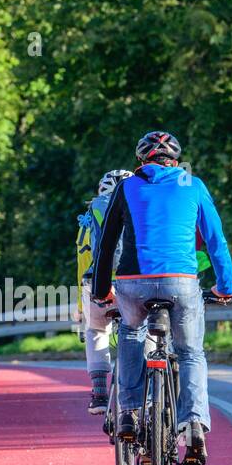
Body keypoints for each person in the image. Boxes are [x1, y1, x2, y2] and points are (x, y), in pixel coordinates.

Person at [91, 131, 232, 465]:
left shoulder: (126, 188)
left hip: (132, 284)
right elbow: (216, 242)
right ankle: (195, 425)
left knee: (130, 333)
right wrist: (225, 286)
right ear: (175, 160)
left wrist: (101, 291)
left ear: (141, 162)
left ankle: (128, 413)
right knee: (190, 352)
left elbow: (107, 244)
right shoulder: (193, 185)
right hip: (181, 283)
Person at [76, 168, 132, 413]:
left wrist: (80, 309)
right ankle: (149, 388)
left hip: (99, 284)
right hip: (135, 282)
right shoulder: (141, 206)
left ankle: (99, 391)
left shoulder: (91, 216)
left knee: (96, 328)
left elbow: (82, 262)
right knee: (142, 328)